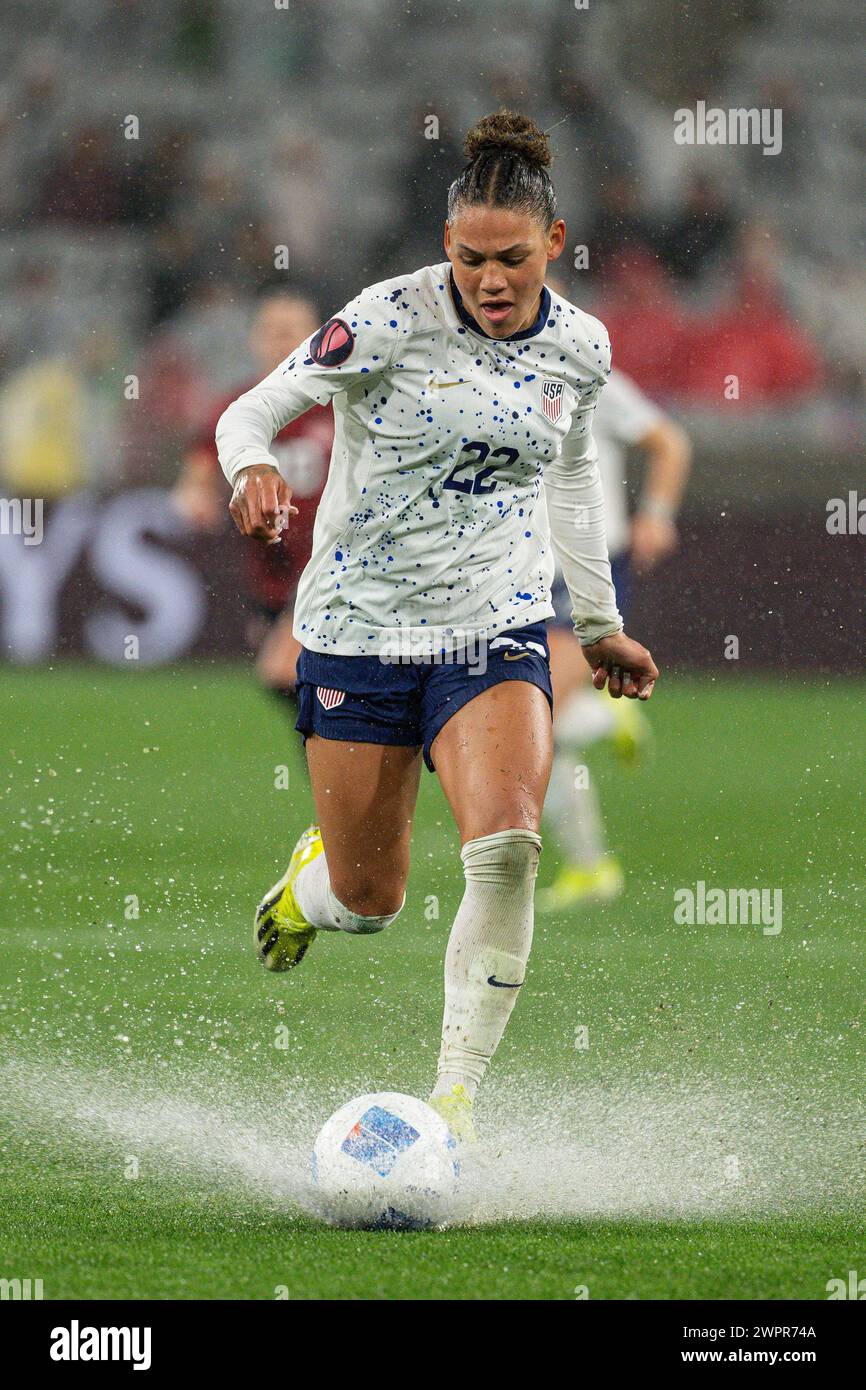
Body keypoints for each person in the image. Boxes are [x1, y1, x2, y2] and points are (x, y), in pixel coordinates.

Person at [215, 111, 658, 1141]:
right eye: (467, 258)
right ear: (443, 248)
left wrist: (595, 625)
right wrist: (253, 467)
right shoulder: (383, 318)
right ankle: (306, 885)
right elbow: (249, 413)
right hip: (359, 634)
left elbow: (575, 474)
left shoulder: (580, 347)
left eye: (510, 258)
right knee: (369, 898)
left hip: (493, 630)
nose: (488, 280)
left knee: (506, 846)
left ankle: (452, 1105)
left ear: (551, 245)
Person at [539, 356, 691, 911]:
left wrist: (656, 513)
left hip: (583, 567)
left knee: (537, 713)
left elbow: (670, 442)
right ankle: (606, 717)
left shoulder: (589, 374)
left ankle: (591, 865)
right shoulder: (482, 373)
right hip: (507, 568)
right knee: (509, 709)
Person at [174, 289, 333, 706]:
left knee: (282, 671)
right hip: (271, 569)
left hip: (330, 564)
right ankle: (343, 756)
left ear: (316, 338)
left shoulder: (342, 403)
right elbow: (199, 470)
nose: (283, 343)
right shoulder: (238, 408)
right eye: (272, 332)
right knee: (304, 684)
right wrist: (194, 496)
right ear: (255, 340)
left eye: (292, 331)